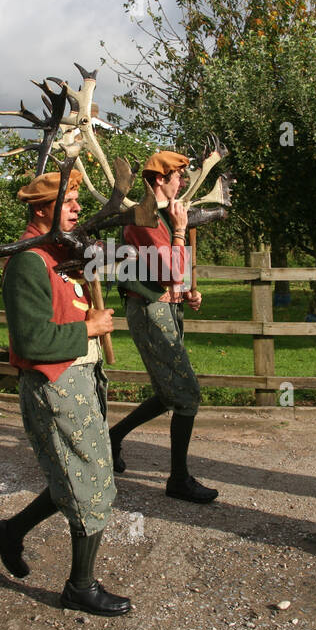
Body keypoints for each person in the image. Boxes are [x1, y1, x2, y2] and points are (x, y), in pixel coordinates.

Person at [0, 170, 130, 616]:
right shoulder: (29, 260)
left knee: (81, 475)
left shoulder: (57, 253)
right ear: (42, 210)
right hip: (55, 385)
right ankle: (80, 588)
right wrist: (89, 327)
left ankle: (9, 533)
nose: (78, 208)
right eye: (68, 202)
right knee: (91, 486)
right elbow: (29, 342)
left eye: (75, 202)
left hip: (79, 382)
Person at [107, 150, 215, 503]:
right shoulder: (144, 217)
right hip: (150, 312)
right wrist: (182, 231)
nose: (183, 181)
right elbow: (168, 268)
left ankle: (112, 438)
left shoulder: (163, 216)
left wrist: (187, 294)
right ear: (159, 180)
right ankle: (179, 479)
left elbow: (171, 275)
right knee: (187, 397)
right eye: (177, 176)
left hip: (165, 308)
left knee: (169, 393)